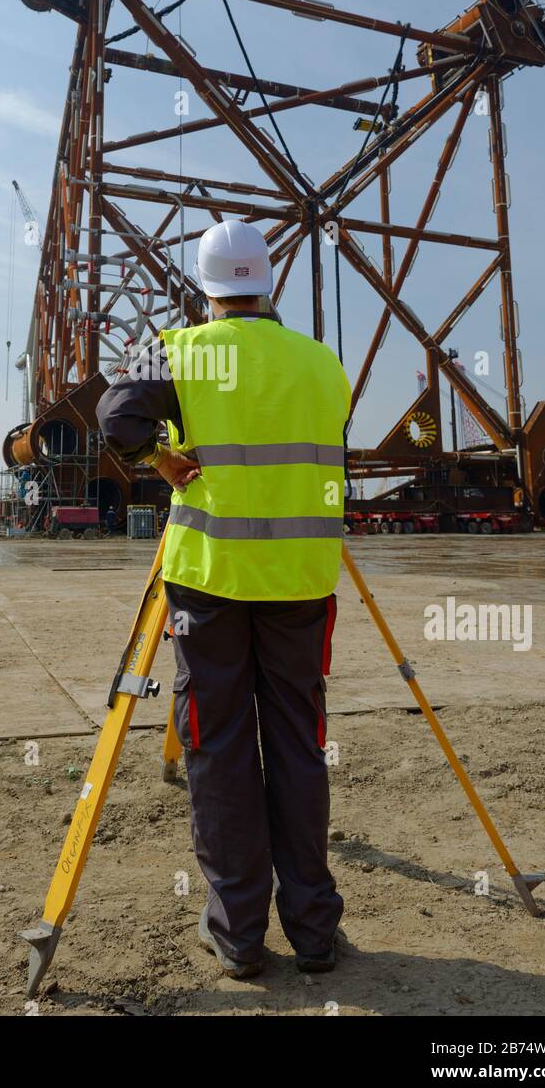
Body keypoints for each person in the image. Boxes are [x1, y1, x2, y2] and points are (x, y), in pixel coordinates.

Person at [97, 219, 349, 979]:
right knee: (299, 746)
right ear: (265, 282)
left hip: (206, 583)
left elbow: (114, 416)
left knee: (219, 747)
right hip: (300, 581)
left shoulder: (173, 349)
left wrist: (161, 458)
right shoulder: (321, 363)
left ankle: (239, 936)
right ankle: (313, 931)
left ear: (206, 290)